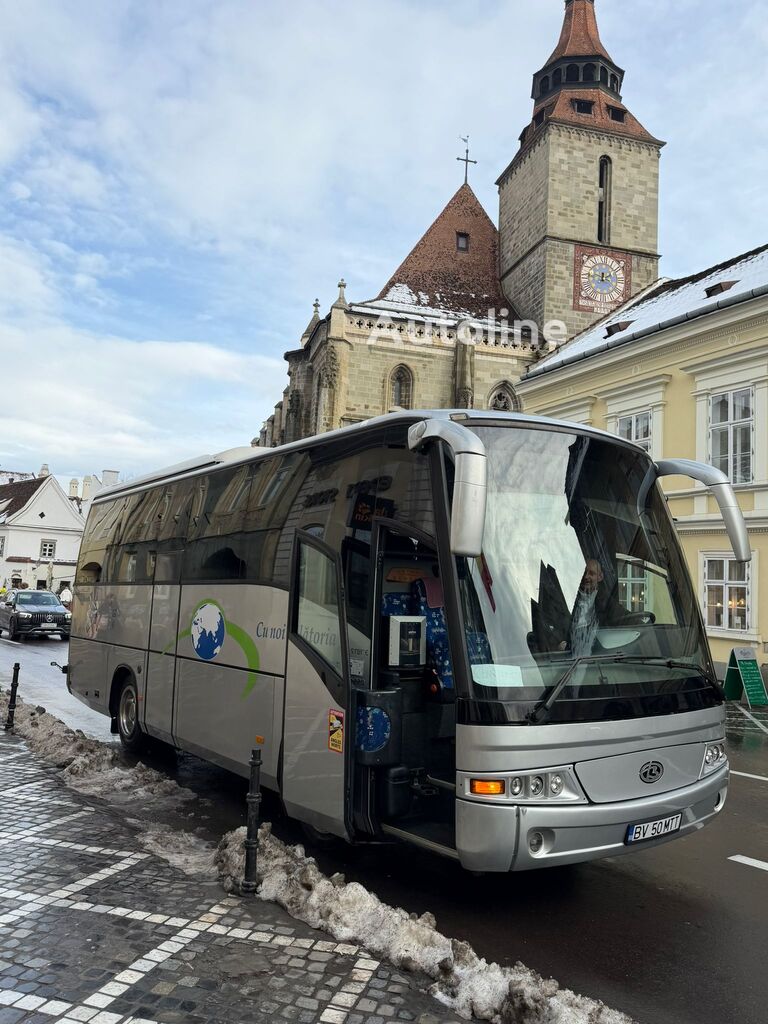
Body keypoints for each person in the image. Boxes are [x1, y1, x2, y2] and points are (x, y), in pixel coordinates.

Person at [561, 558, 627, 658]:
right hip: (566, 659)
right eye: (584, 573)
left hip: (595, 659)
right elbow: (558, 624)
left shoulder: (606, 602)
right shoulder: (569, 597)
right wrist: (558, 643)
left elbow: (625, 618)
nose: (586, 577)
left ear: (600, 577)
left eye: (591, 573)